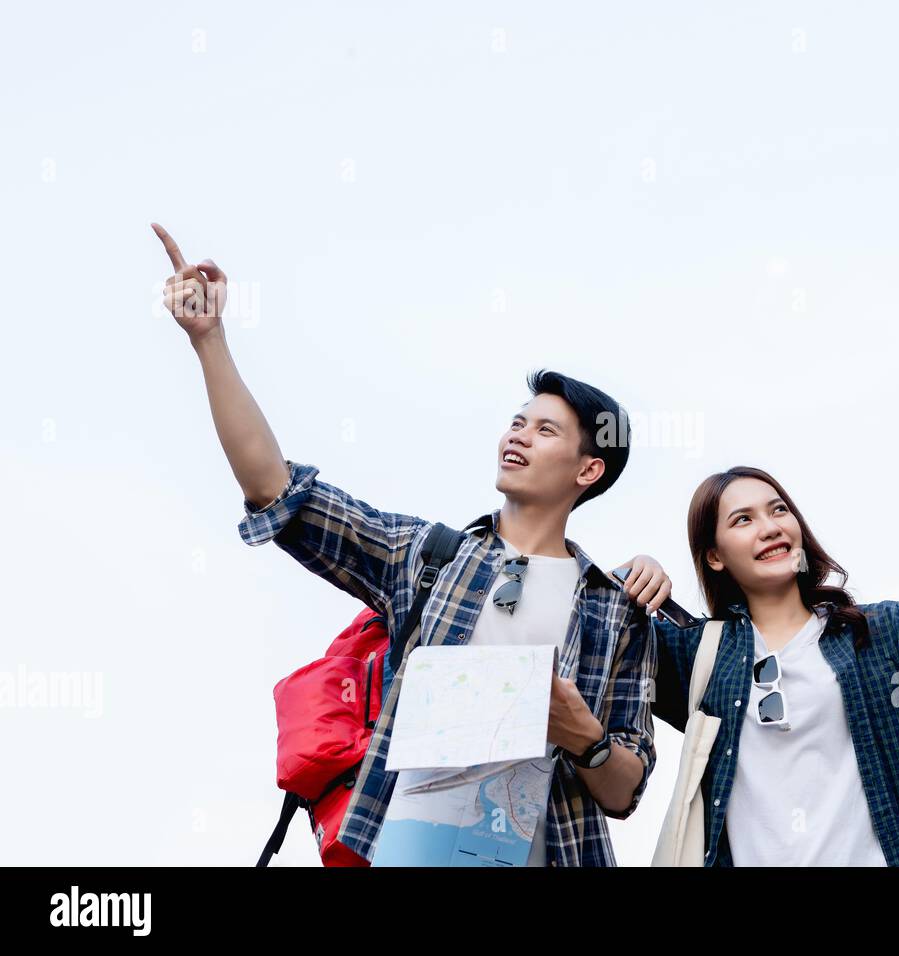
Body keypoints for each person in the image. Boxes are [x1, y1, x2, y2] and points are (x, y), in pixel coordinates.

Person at [153, 223, 672, 867]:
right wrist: (210, 342)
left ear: (587, 470)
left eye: (545, 429)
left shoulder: (616, 609)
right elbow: (276, 492)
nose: (519, 434)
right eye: (517, 421)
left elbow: (626, 790)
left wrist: (584, 738)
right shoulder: (427, 557)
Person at [652, 363, 899, 865]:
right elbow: (588, 647)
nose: (769, 527)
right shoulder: (696, 656)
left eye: (778, 510)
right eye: (743, 519)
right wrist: (635, 574)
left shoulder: (884, 638)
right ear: (714, 555)